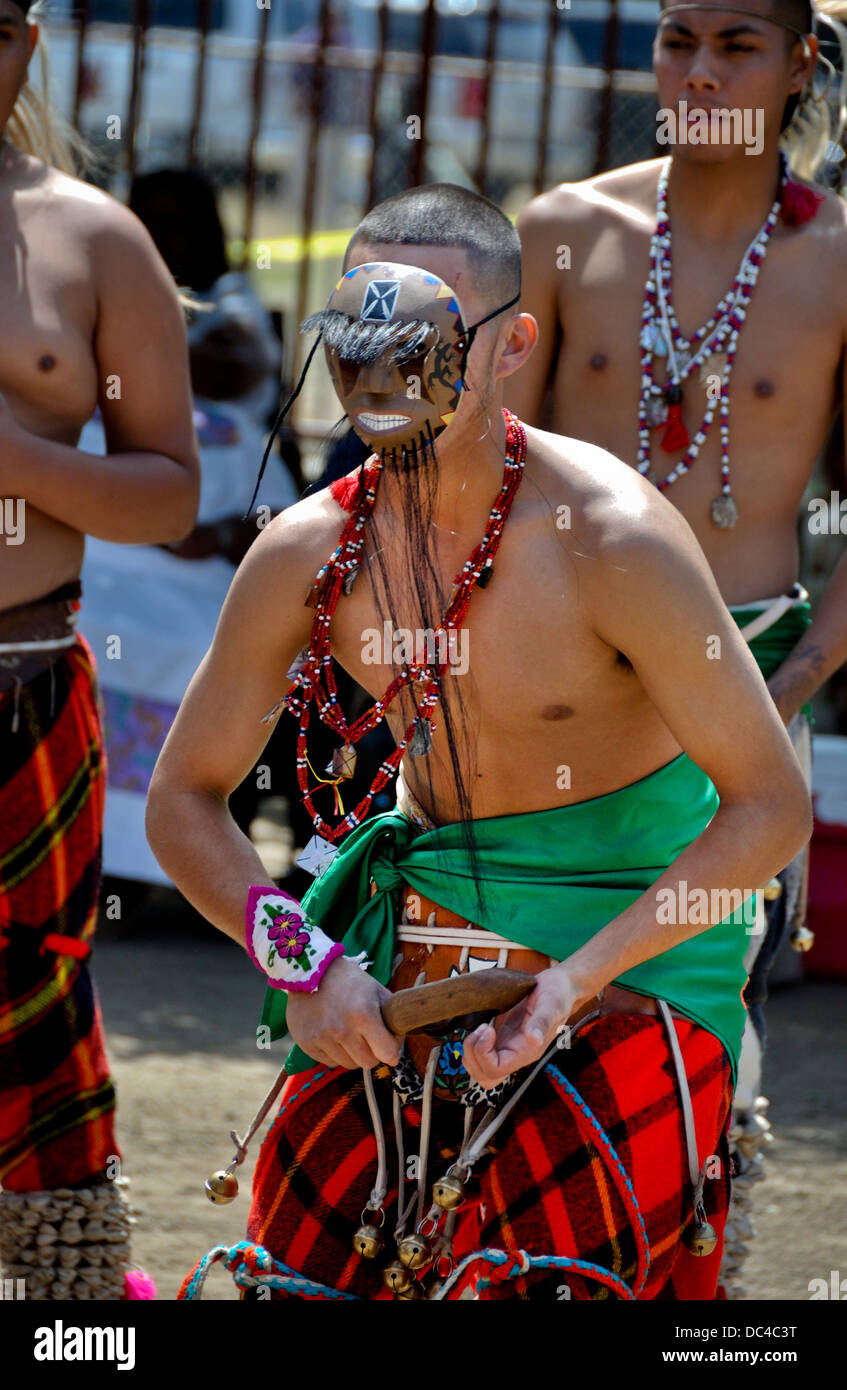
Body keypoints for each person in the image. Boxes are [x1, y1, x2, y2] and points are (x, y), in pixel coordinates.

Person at [147, 182, 810, 1302]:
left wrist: (574, 982)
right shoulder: (306, 552)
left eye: (424, 331)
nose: (385, 359)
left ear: (513, 347)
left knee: (532, 1274)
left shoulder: (611, 535)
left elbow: (765, 806)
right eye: (361, 327)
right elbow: (183, 798)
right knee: (298, 1271)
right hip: (415, 948)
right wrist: (301, 961)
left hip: (630, 958)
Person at [506, 0, 847, 1295]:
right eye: (674, 39)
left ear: (798, 60)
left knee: (696, 1040)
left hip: (740, 711)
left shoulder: (830, 259)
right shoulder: (562, 229)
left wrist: (794, 678)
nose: (697, 72)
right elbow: (482, 473)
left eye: (735, 44)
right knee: (512, 1001)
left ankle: (672, 1284)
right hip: (550, 701)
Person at [0, 0, 199, 1298]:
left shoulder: (94, 240)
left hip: (19, 693)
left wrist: (12, 461)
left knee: (39, 1033)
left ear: (32, 46)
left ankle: (69, 1322)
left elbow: (167, 493)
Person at [78, 169, 298, 893]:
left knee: (211, 649)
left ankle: (178, 859)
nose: (166, 237)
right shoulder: (96, 305)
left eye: (180, 221)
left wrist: (130, 326)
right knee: (91, 633)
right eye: (151, 220)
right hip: (113, 550)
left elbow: (231, 373)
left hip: (208, 557)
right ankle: (101, 856)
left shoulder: (233, 312)